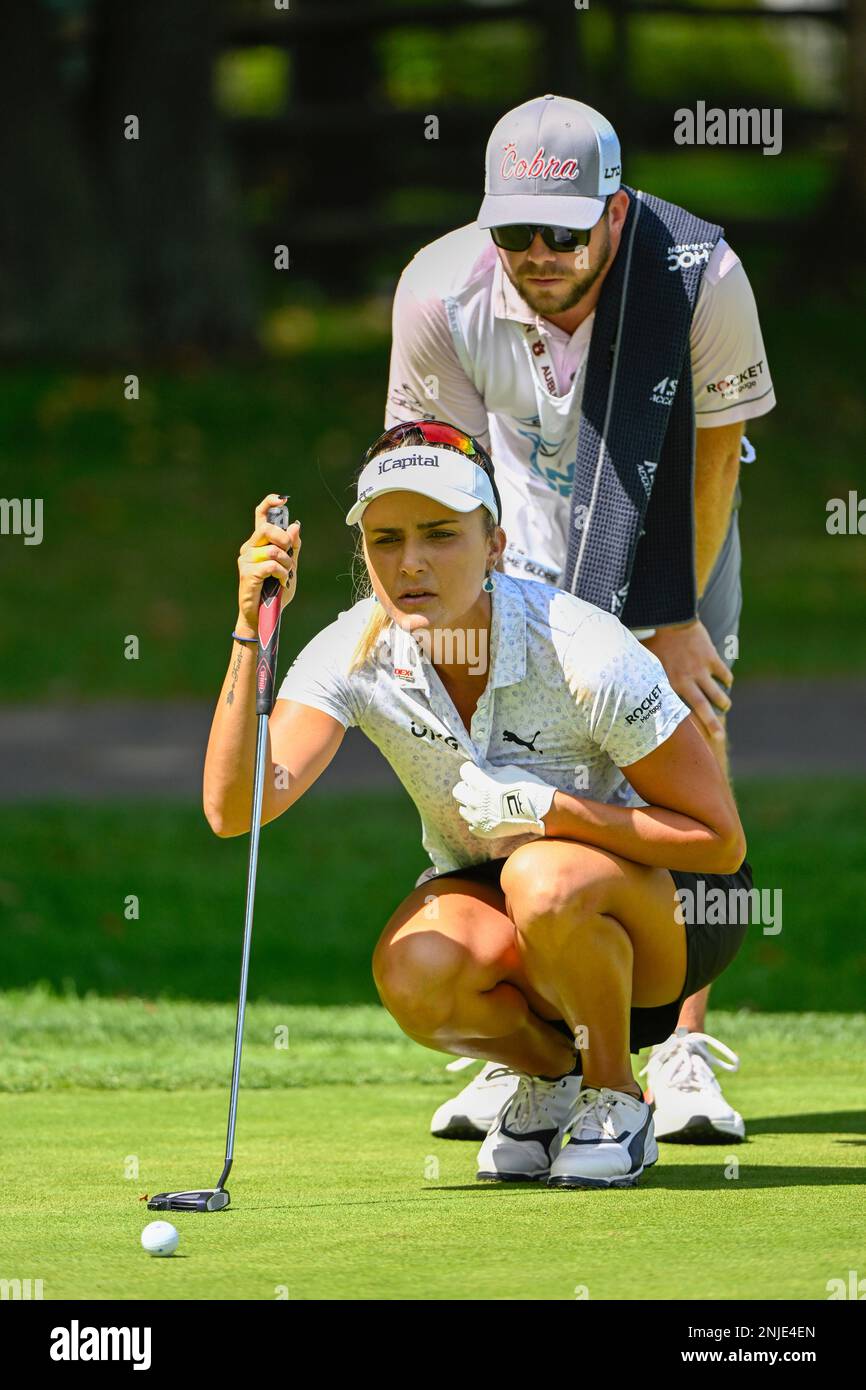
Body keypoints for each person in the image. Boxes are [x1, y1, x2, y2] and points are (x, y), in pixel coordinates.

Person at [202, 421, 750, 1190]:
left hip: (674, 909)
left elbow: (720, 843)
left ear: (494, 544)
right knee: (416, 967)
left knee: (545, 875)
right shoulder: (354, 651)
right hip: (515, 907)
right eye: (386, 539)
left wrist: (548, 810)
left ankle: (616, 1092)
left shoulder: (582, 650)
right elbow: (235, 808)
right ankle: (555, 1078)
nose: (411, 562)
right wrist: (248, 627)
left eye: (440, 534)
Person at [386, 95, 776, 1141]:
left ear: (613, 211)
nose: (535, 252)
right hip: (509, 533)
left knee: (682, 737)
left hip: (668, 533)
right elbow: (435, 467)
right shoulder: (439, 287)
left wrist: (670, 615)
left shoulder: (700, 274)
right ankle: (535, 1039)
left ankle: (681, 1046)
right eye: (511, 230)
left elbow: (708, 460)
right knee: (495, 747)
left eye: (561, 231)